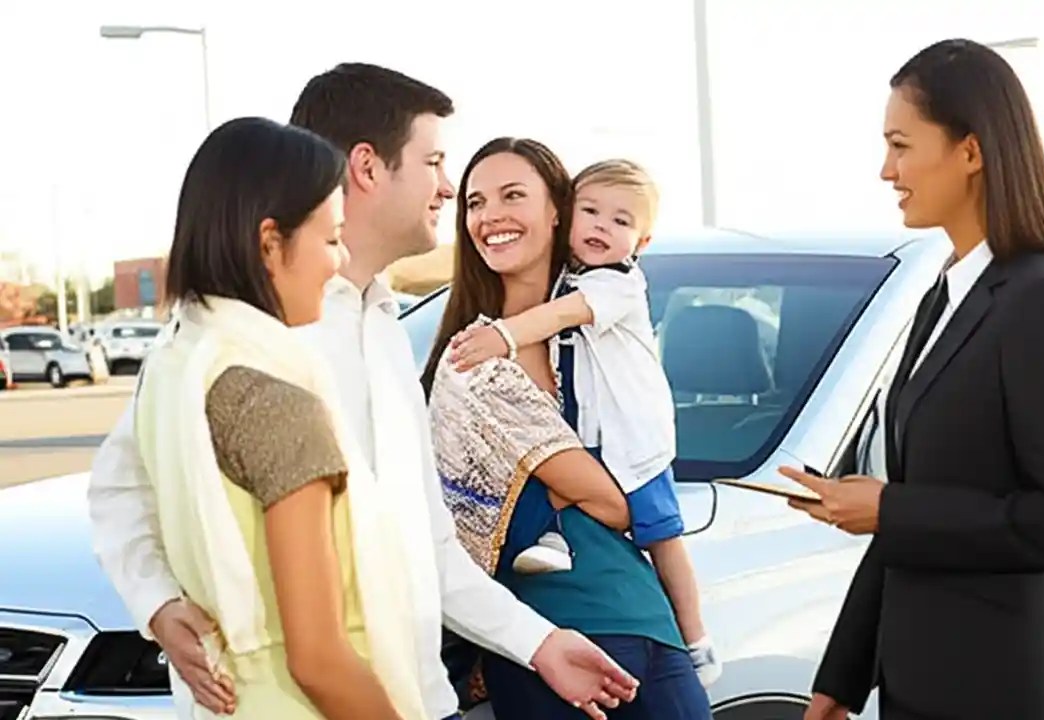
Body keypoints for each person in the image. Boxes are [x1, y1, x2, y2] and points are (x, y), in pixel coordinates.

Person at [88, 64, 637, 720]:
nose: (446, 187)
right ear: (369, 167)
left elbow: (426, 547)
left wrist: (541, 644)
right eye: (433, 161)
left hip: (412, 699)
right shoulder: (239, 344)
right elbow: (121, 486)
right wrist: (156, 603)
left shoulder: (384, 329)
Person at [779, 39, 1044, 720]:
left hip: (1003, 697)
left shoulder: (1038, 299)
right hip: (919, 692)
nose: (886, 170)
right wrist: (840, 680)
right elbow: (909, 511)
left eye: (901, 144)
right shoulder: (945, 294)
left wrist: (889, 509)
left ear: (971, 151)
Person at [132, 114, 435, 718]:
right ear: (270, 243)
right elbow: (319, 659)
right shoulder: (275, 401)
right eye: (329, 238)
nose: (339, 259)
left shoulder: (175, 367)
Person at [424, 137, 713, 719]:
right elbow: (613, 501)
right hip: (549, 643)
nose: (490, 216)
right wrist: (584, 486)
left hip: (651, 626)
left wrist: (568, 481)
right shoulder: (471, 364)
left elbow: (622, 495)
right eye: (475, 203)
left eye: (512, 195)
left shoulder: (597, 328)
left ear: (558, 208)